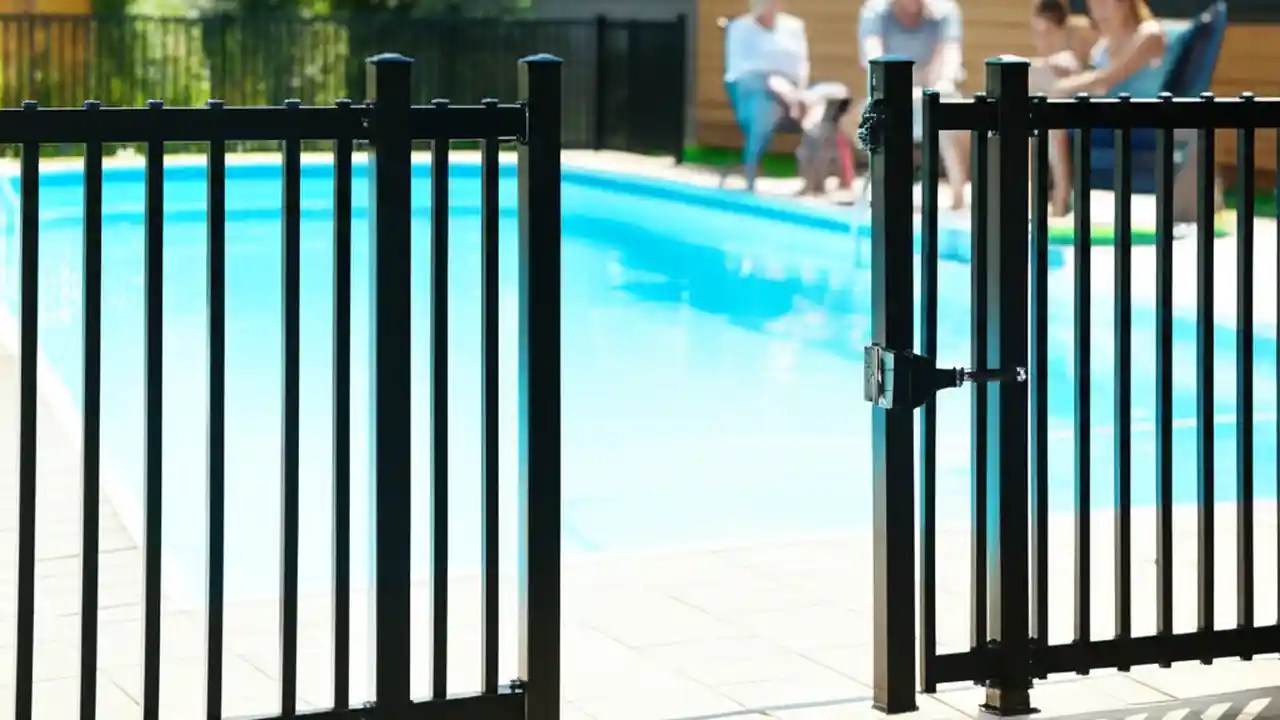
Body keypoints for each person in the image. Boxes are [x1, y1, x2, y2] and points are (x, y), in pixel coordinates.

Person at [1046, 0, 1166, 215]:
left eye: (1103, 2)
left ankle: (1061, 200)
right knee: (1052, 110)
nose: (1096, 10)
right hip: (1109, 116)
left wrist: (1062, 86)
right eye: (1092, 4)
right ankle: (1057, 196)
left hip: (1141, 121)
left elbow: (1108, 79)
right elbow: (1096, 83)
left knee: (1056, 108)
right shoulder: (1104, 42)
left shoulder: (1148, 33)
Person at [857, 0, 969, 210]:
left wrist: (934, 87)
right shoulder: (874, 11)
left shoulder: (945, 11)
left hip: (932, 89)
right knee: (879, 111)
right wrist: (901, 87)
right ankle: (882, 190)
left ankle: (958, 196)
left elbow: (949, 56)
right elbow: (874, 58)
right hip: (891, 89)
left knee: (949, 102)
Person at [723, 0, 811, 192]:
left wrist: (798, 92)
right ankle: (751, 174)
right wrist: (772, 81)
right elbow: (737, 70)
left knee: (829, 101)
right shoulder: (740, 28)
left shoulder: (794, 26)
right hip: (751, 90)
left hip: (791, 90)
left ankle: (816, 179)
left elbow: (802, 65)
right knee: (765, 109)